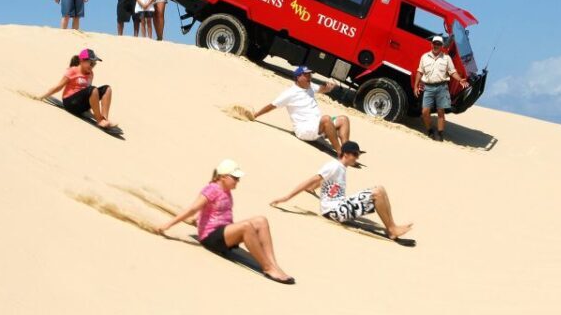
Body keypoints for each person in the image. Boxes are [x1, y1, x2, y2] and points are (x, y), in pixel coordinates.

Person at [158, 159, 295, 285]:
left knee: (261, 220)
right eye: (235, 178)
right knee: (246, 227)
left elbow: (212, 212)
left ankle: (274, 264)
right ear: (223, 177)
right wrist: (168, 224)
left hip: (224, 233)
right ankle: (268, 268)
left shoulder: (226, 189)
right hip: (210, 238)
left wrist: (197, 220)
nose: (238, 181)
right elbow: (193, 208)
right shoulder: (211, 189)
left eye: (238, 178)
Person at [270, 141, 413, 240]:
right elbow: (311, 179)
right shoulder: (334, 166)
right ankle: (392, 229)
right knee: (377, 192)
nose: (357, 158)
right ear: (346, 154)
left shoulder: (340, 168)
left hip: (338, 207)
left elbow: (322, 183)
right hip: (332, 211)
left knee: (380, 189)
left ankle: (391, 226)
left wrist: (313, 189)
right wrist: (286, 198)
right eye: (356, 154)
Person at [252, 66, 350, 154]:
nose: (309, 77)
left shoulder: (309, 86)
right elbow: (272, 105)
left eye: (310, 75)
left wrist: (328, 89)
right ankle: (340, 153)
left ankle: (347, 150)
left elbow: (320, 89)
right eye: (306, 75)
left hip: (317, 125)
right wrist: (256, 115)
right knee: (326, 119)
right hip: (304, 129)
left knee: (344, 119)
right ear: (298, 77)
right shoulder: (290, 93)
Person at [40, 48, 117, 128]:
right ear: (81, 61)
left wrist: (89, 110)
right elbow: (59, 87)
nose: (92, 66)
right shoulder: (72, 71)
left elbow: (88, 92)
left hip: (81, 105)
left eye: (94, 64)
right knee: (93, 89)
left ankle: (104, 119)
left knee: (107, 89)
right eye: (91, 63)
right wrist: (43, 96)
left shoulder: (91, 74)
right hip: (70, 103)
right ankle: (99, 120)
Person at [412, 35, 469, 141]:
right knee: (425, 112)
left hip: (442, 87)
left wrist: (460, 79)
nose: (436, 45)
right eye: (435, 43)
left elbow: (452, 72)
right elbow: (420, 72)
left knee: (440, 112)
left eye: (439, 44)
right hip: (428, 87)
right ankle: (430, 131)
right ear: (431, 44)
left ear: (442, 45)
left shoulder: (446, 58)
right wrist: (416, 86)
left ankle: (440, 134)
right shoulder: (424, 57)